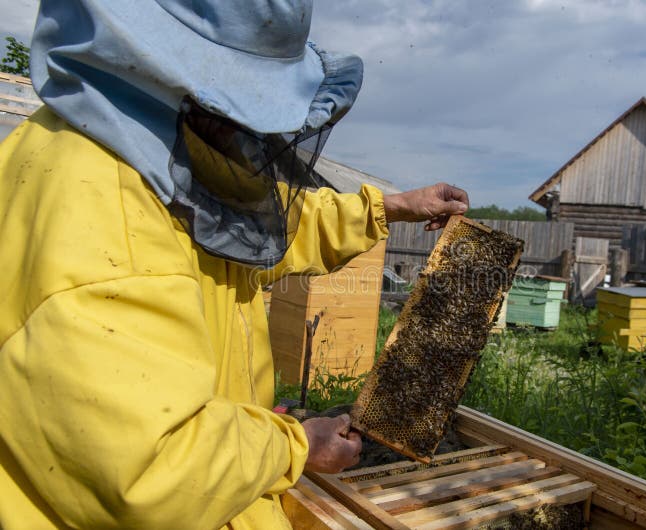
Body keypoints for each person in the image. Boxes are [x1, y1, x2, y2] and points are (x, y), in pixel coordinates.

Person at [0, 1, 468, 528]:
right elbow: (153, 472)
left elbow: (262, 232)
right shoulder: (106, 219)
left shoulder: (142, 157)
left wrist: (388, 207)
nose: (253, 133)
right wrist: (294, 445)